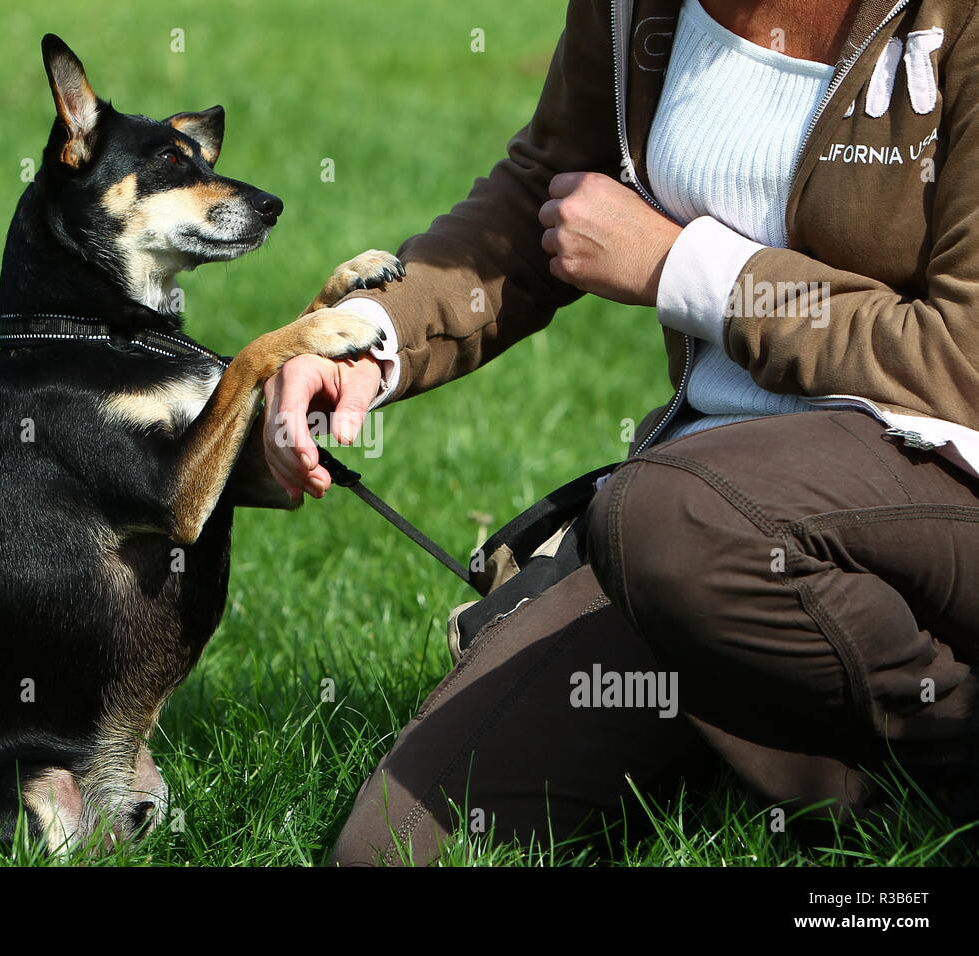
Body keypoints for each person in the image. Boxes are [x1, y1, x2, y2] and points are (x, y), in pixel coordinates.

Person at [260, 0, 979, 866]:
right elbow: (547, 191)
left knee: (670, 518)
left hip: (936, 483)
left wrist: (684, 266)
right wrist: (368, 339)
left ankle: (947, 760)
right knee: (400, 848)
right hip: (700, 514)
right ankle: (785, 746)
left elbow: (961, 356)